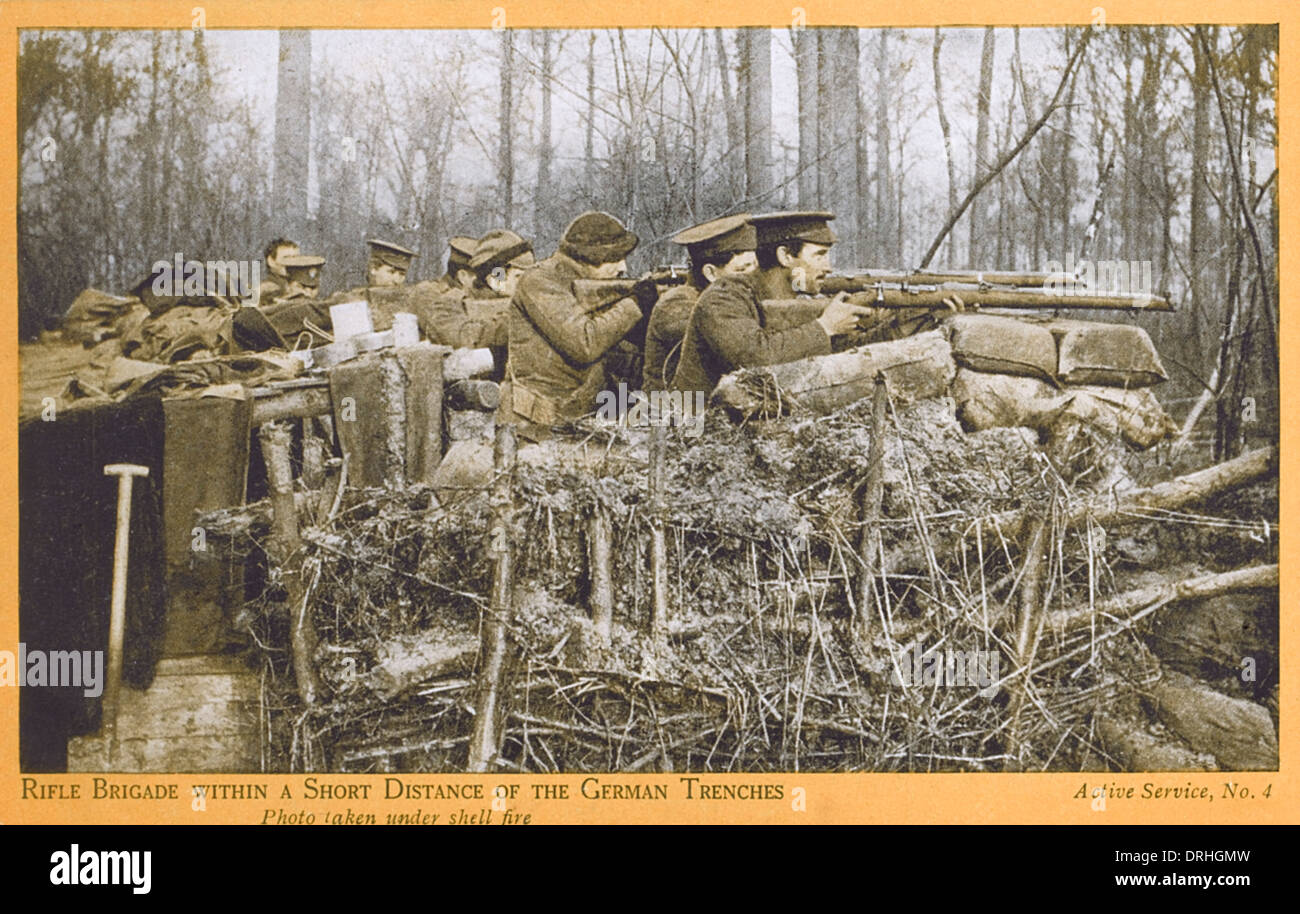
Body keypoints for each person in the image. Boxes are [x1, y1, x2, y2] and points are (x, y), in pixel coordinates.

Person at [671, 211, 963, 395]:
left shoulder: (791, 302)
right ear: (786, 257)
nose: (829, 267)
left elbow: (842, 353)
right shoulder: (725, 296)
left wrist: (906, 323)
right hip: (699, 432)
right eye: (820, 255)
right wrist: (824, 327)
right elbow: (754, 357)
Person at [497, 211, 655, 440]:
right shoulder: (539, 281)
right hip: (533, 427)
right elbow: (584, 343)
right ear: (588, 256)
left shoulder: (598, 288)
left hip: (581, 420)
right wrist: (634, 305)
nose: (623, 267)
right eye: (615, 257)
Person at [642, 213, 757, 392]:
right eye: (742, 269)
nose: (752, 278)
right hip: (665, 412)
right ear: (711, 273)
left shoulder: (727, 301)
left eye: (754, 267)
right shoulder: (677, 303)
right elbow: (733, 345)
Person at [424, 229, 534, 350]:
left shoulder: (527, 302)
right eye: (518, 276)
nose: (525, 283)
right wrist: (518, 318)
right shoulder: (448, 304)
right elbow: (466, 339)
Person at [255, 238, 300, 304]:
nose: (292, 262)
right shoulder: (267, 289)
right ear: (271, 261)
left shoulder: (299, 285)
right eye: (286, 258)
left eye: (295, 258)